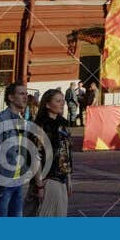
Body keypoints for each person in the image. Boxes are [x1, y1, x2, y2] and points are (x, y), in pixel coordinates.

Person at [0, 82, 32, 217]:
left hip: (17, 182)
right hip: (2, 183)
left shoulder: (21, 121)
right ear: (10, 97)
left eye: (26, 94)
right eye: (21, 94)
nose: (25, 97)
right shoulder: (0, 120)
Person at [32, 88, 73, 216]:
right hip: (48, 179)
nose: (62, 104)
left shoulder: (63, 126)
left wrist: (68, 177)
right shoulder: (41, 127)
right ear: (48, 105)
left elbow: (66, 154)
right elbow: (36, 157)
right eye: (58, 101)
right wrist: (39, 186)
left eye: (63, 101)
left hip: (62, 179)